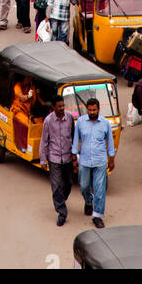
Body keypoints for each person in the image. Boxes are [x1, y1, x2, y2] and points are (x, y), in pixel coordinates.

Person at [71, 96, 115, 228]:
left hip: (100, 160)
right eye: (89, 110)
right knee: (84, 186)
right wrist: (74, 158)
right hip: (84, 160)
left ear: (98, 109)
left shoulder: (106, 123)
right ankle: (88, 201)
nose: (92, 112)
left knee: (99, 189)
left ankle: (97, 215)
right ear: (87, 110)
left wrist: (111, 159)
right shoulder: (80, 122)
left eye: (94, 110)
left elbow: (110, 143)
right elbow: (75, 141)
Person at [39, 97, 76, 226]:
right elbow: (44, 140)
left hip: (67, 158)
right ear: (53, 108)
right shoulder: (48, 121)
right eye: (59, 106)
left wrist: (75, 155)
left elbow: (73, 136)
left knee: (69, 183)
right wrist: (43, 159)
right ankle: (62, 212)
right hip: (54, 158)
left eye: (63, 106)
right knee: (56, 186)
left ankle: (61, 199)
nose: (61, 108)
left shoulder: (70, 118)